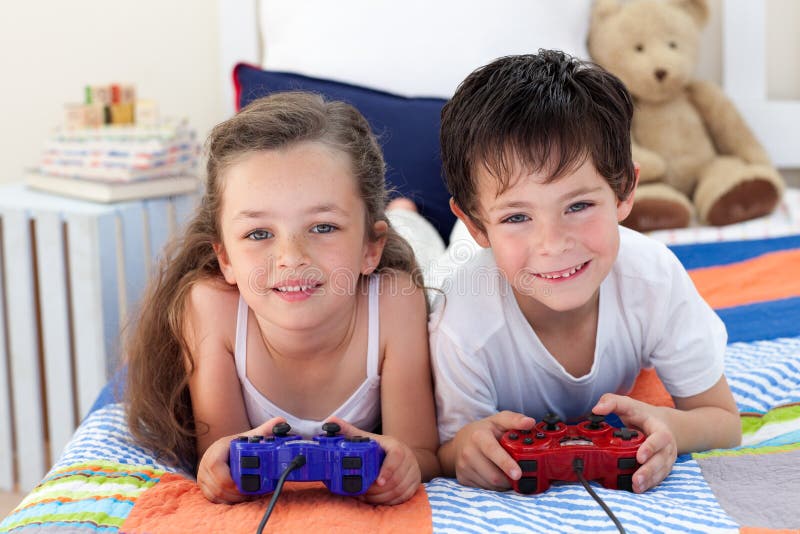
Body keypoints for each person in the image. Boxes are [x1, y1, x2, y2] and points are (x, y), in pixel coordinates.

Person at [429, 50, 742, 493]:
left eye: (578, 206)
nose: (554, 243)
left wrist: (672, 426)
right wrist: (464, 449)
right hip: (459, 270)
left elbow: (725, 422)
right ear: (477, 224)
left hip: (507, 260)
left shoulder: (653, 278)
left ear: (625, 192)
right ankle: (410, 214)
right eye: (517, 217)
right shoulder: (458, 324)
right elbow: (445, 449)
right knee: (424, 248)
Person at [124, 91, 440, 505]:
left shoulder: (397, 302)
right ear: (225, 259)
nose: (291, 258)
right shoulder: (210, 309)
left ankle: (405, 214)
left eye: (323, 227)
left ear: (370, 248)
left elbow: (422, 454)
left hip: (416, 249)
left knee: (428, 244)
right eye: (259, 234)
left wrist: (404, 463)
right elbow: (219, 455)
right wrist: (218, 470)